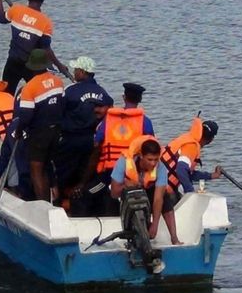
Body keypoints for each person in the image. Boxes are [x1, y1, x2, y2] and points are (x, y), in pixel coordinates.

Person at [75, 82, 155, 216]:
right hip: (135, 175)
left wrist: (82, 183)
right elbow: (152, 149)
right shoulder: (145, 122)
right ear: (140, 100)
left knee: (82, 196)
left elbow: (96, 149)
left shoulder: (108, 120)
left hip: (109, 175)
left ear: (124, 98)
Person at [54, 56, 113, 209]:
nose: (74, 72)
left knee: (63, 173)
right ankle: (83, 202)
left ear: (82, 72)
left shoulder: (70, 91)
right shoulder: (102, 93)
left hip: (70, 140)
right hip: (93, 142)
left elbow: (59, 112)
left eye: (76, 70)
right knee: (86, 174)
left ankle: (61, 204)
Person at [0, 0, 69, 93]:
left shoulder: (16, 10)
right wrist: (60, 66)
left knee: (6, 94)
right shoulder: (45, 22)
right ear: (42, 0)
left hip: (12, 62)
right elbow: (46, 49)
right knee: (39, 94)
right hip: (32, 66)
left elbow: (1, 18)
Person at [110, 135, 181, 245]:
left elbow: (158, 199)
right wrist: (126, 185)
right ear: (141, 156)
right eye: (149, 159)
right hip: (127, 195)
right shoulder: (124, 161)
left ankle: (174, 238)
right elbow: (114, 193)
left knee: (166, 198)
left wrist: (155, 225)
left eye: (156, 159)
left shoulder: (160, 167)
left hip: (148, 193)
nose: (153, 164)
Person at [15, 48, 65, 202]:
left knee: (36, 169)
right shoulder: (58, 81)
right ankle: (52, 200)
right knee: (47, 165)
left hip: (39, 133)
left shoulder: (29, 88)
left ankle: (42, 205)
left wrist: (19, 130)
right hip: (56, 131)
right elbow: (62, 105)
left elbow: (25, 116)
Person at [160, 118, 222, 195]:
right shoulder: (192, 146)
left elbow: (188, 173)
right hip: (161, 189)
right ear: (211, 140)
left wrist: (211, 175)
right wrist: (190, 192)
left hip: (158, 182)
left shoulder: (187, 138)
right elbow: (181, 170)